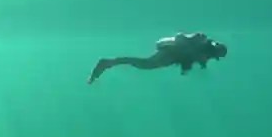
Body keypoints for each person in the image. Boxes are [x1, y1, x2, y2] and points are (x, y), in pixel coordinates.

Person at [88, 32, 228, 83]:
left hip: (171, 54)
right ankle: (108, 62)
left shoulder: (203, 51)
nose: (212, 58)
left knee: (145, 64)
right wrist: (187, 65)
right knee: (146, 64)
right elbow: (183, 41)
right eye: (215, 55)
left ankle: (110, 63)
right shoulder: (201, 41)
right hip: (170, 51)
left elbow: (191, 60)